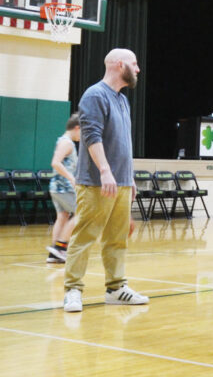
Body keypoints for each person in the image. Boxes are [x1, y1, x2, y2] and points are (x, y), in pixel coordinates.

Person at [63, 48, 149, 313]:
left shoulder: (123, 100)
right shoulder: (94, 95)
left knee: (117, 238)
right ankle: (73, 290)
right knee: (85, 236)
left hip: (121, 182)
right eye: (134, 64)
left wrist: (129, 176)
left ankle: (116, 288)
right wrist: (105, 170)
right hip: (96, 182)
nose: (137, 70)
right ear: (119, 64)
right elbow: (92, 135)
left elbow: (124, 143)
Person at [45, 113, 81, 263]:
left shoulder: (63, 141)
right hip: (63, 187)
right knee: (82, 213)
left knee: (63, 216)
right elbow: (55, 163)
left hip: (56, 187)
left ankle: (55, 253)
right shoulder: (67, 143)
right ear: (77, 128)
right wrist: (71, 178)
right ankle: (61, 247)